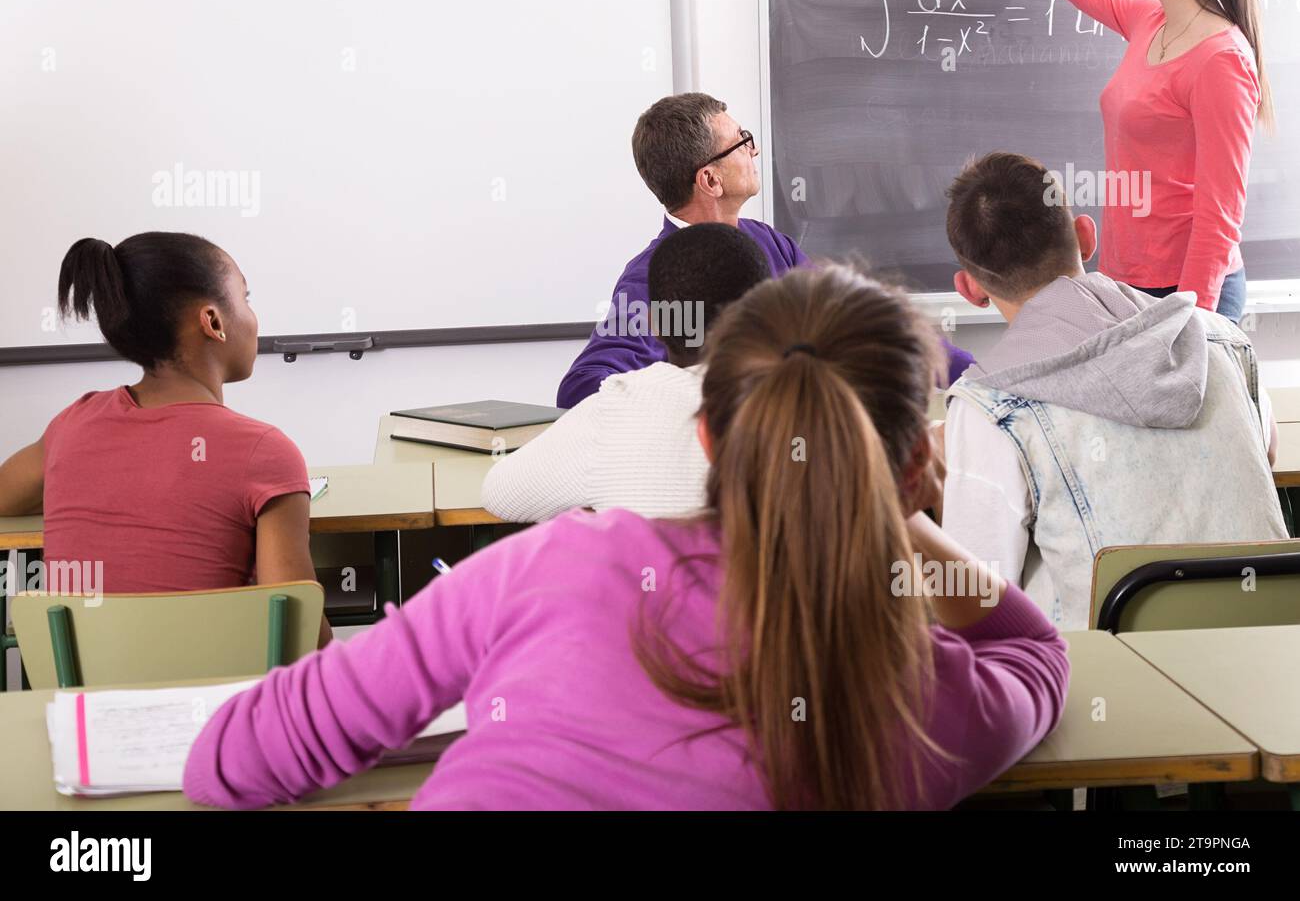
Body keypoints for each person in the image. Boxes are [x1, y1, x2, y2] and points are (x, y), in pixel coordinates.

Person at [183, 264, 1067, 811]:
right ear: (918, 466)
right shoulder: (917, 694)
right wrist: (895, 518)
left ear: (708, 440)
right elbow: (1035, 654)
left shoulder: (558, 565)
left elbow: (229, 766)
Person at [942, 153, 1285, 630]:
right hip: (1272, 658)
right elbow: (1263, 452)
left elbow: (974, 598)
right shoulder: (1221, 340)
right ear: (1086, 235)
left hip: (1118, 687)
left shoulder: (989, 407)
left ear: (971, 289)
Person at [972, 0, 1271, 322]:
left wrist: (1192, 322)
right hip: (1127, 280)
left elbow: (1220, 215)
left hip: (1185, 293)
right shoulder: (1150, 19)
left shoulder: (1220, 61)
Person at [0, 233, 329, 645]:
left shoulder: (71, 426)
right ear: (213, 321)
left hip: (82, 703)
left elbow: (4, 497)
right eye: (246, 298)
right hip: (218, 703)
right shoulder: (266, 453)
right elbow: (300, 641)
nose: (253, 316)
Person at [556, 92, 973, 406]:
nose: (753, 151)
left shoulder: (771, 244)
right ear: (710, 181)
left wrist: (972, 378)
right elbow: (581, 389)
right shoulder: (650, 279)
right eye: (742, 142)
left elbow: (862, 321)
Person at [483, 222, 769, 522]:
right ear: (767, 315)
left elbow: (499, 493)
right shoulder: (807, 399)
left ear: (654, 324)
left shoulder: (616, 408)